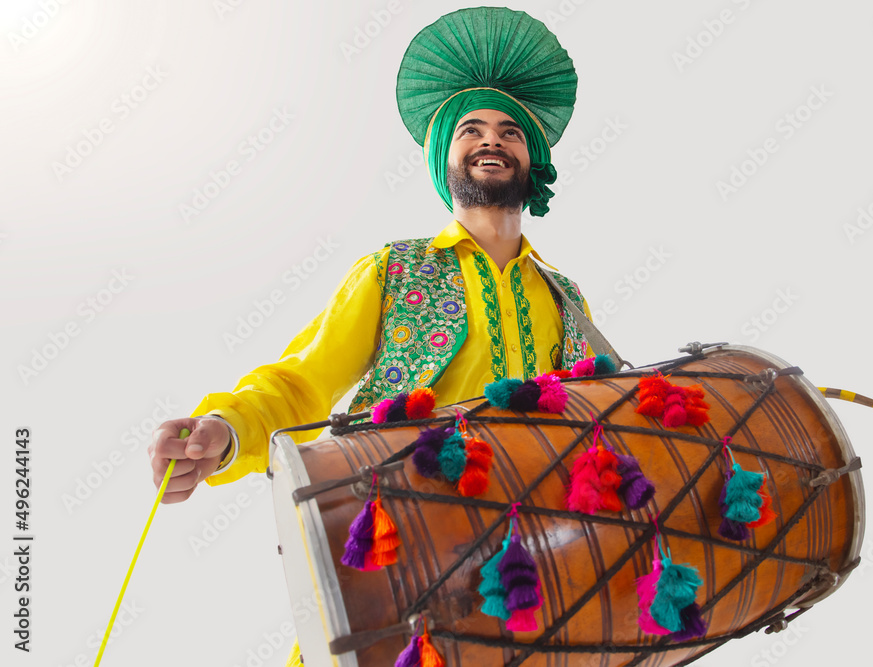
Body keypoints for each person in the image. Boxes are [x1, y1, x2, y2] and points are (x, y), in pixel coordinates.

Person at [147, 7, 598, 665]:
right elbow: (304, 380)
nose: (491, 140)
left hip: (536, 588)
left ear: (534, 158)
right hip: (398, 567)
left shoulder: (565, 297)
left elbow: (599, 424)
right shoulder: (394, 270)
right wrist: (230, 431)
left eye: (510, 130)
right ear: (445, 152)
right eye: (470, 128)